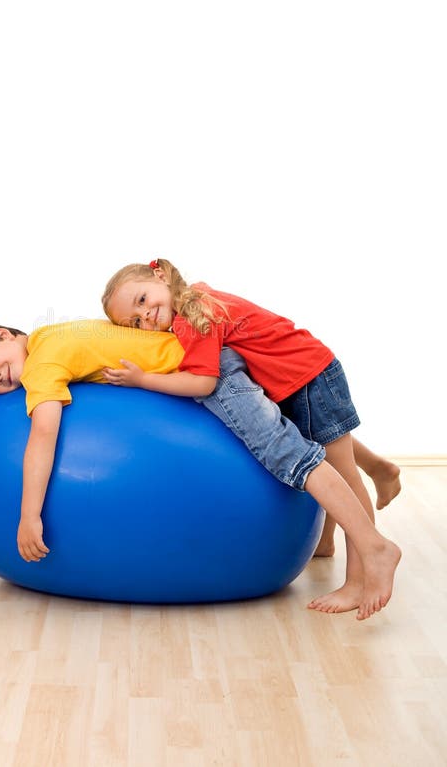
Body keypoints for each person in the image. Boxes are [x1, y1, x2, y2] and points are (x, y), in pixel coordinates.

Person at [101, 258, 401, 619]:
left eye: (143, 300)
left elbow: (203, 383)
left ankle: (367, 566)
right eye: (135, 320)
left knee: (343, 473)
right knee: (331, 444)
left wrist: (142, 379)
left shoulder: (197, 315)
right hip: (296, 379)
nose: (145, 316)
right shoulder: (193, 299)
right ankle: (378, 472)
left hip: (309, 378)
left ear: (160, 276)